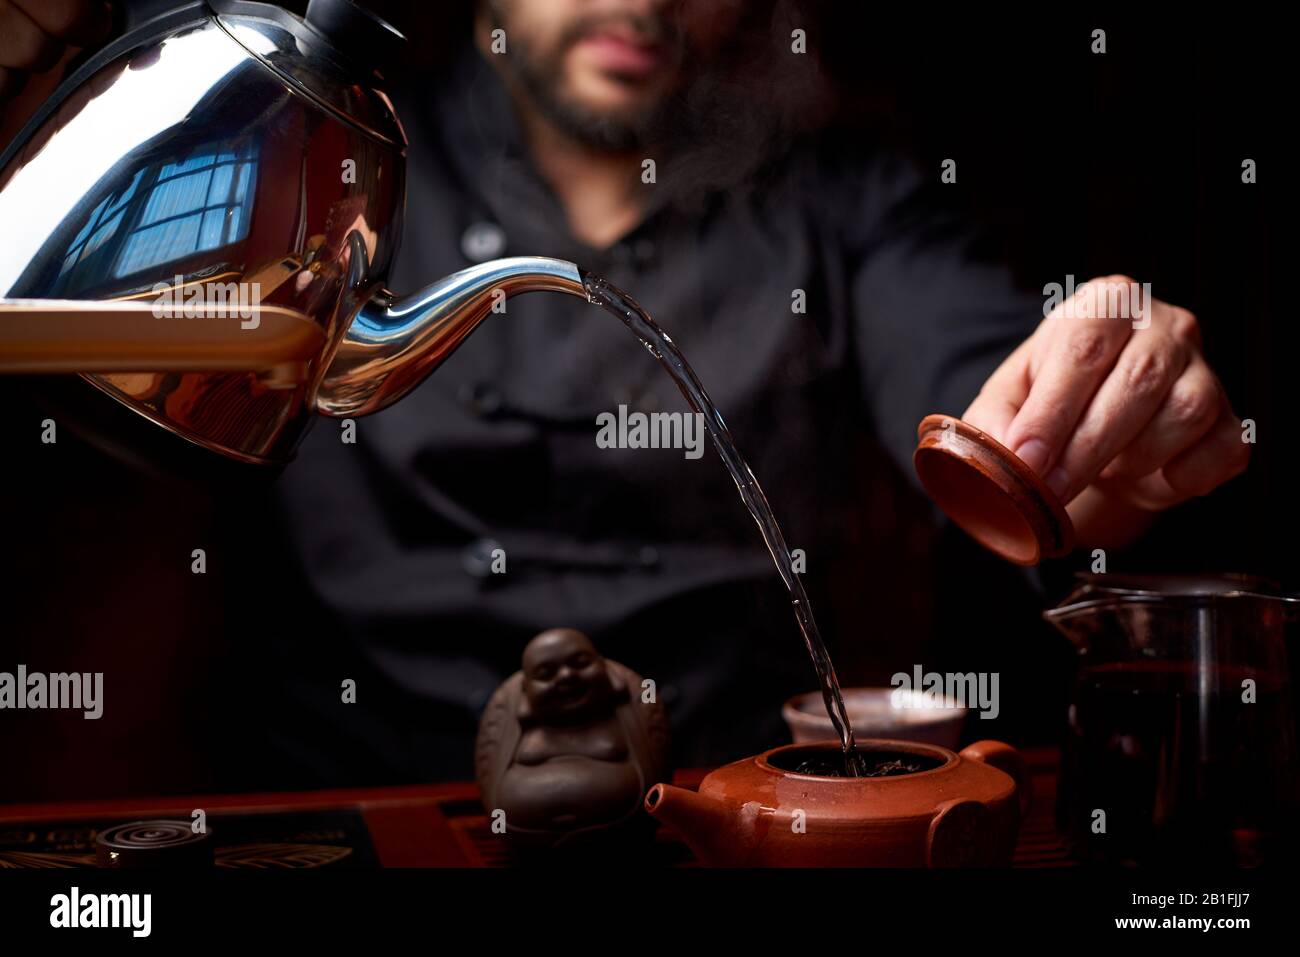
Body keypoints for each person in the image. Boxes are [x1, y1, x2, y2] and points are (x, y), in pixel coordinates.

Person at [0, 0, 1249, 781]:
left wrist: (1111, 421)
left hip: (720, 813)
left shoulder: (847, 205)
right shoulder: (330, 164)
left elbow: (1000, 403)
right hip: (363, 814)